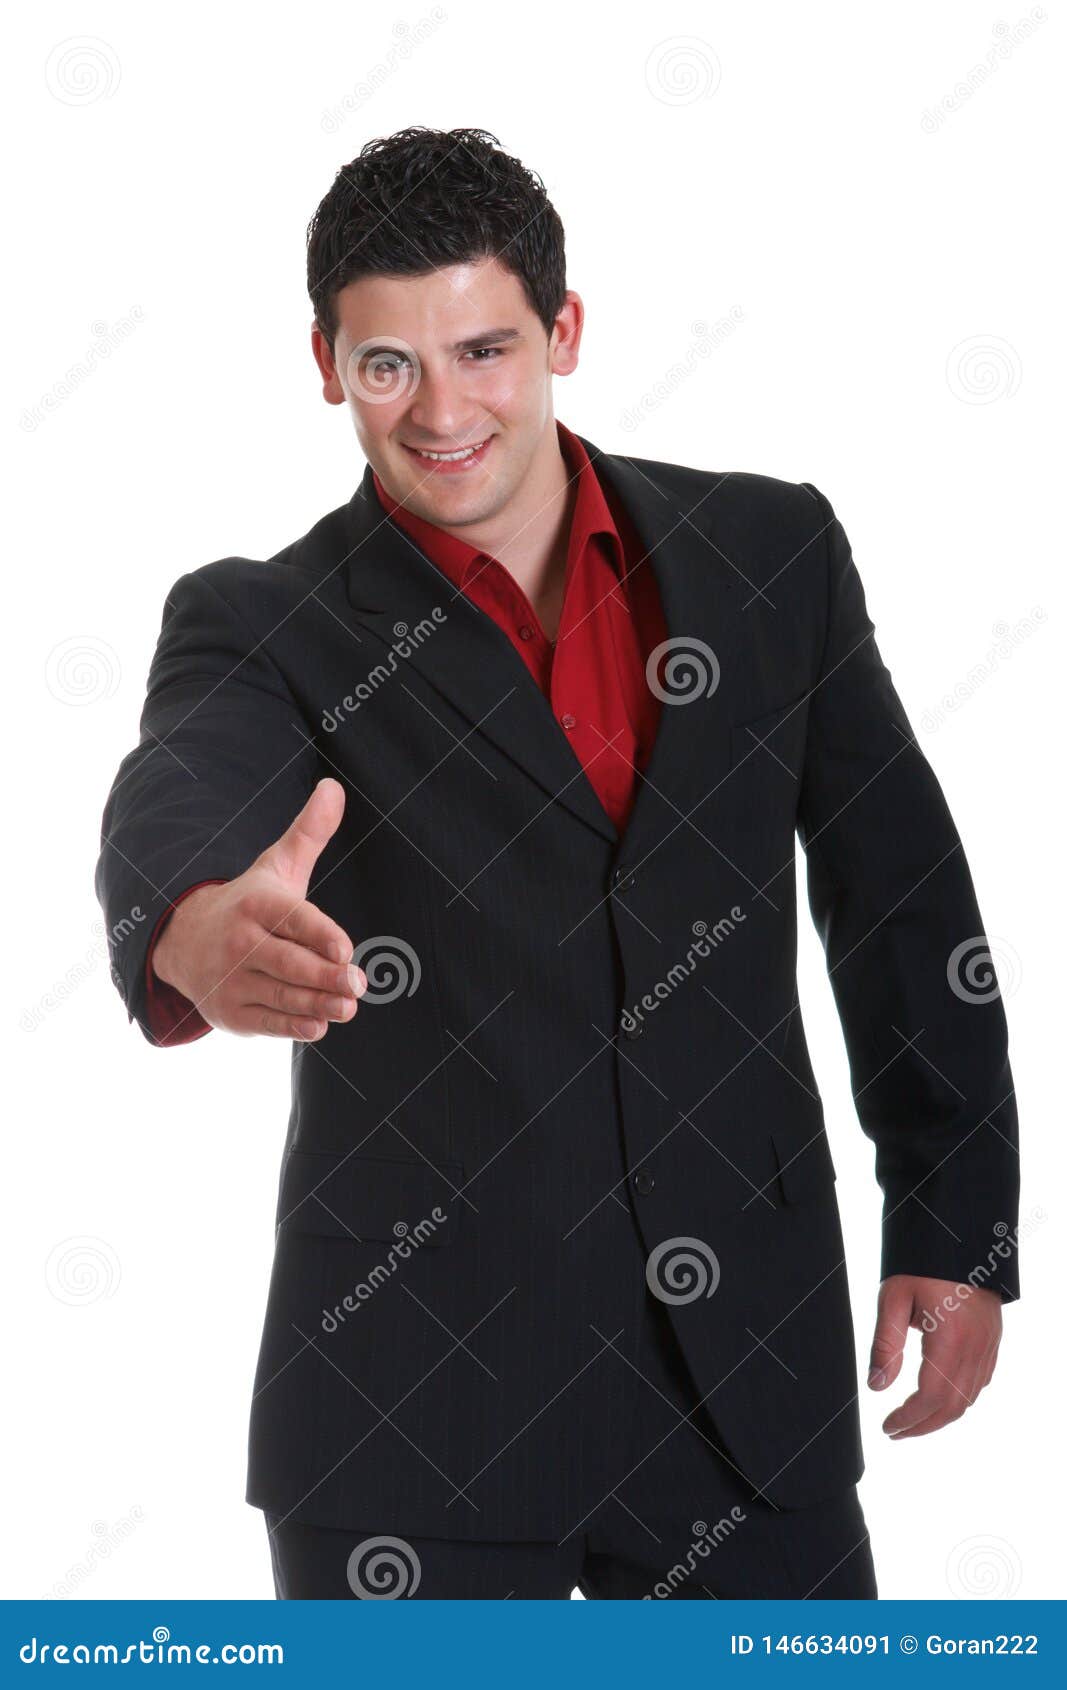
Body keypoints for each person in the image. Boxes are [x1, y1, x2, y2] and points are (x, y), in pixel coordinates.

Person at [95, 126, 1019, 1600]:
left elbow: (899, 896)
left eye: (485, 351)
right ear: (326, 366)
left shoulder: (771, 551)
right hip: (413, 1407)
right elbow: (188, 779)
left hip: (745, 1379)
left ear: (564, 331)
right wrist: (195, 923)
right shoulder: (261, 618)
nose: (442, 410)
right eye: (388, 364)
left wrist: (956, 1216)